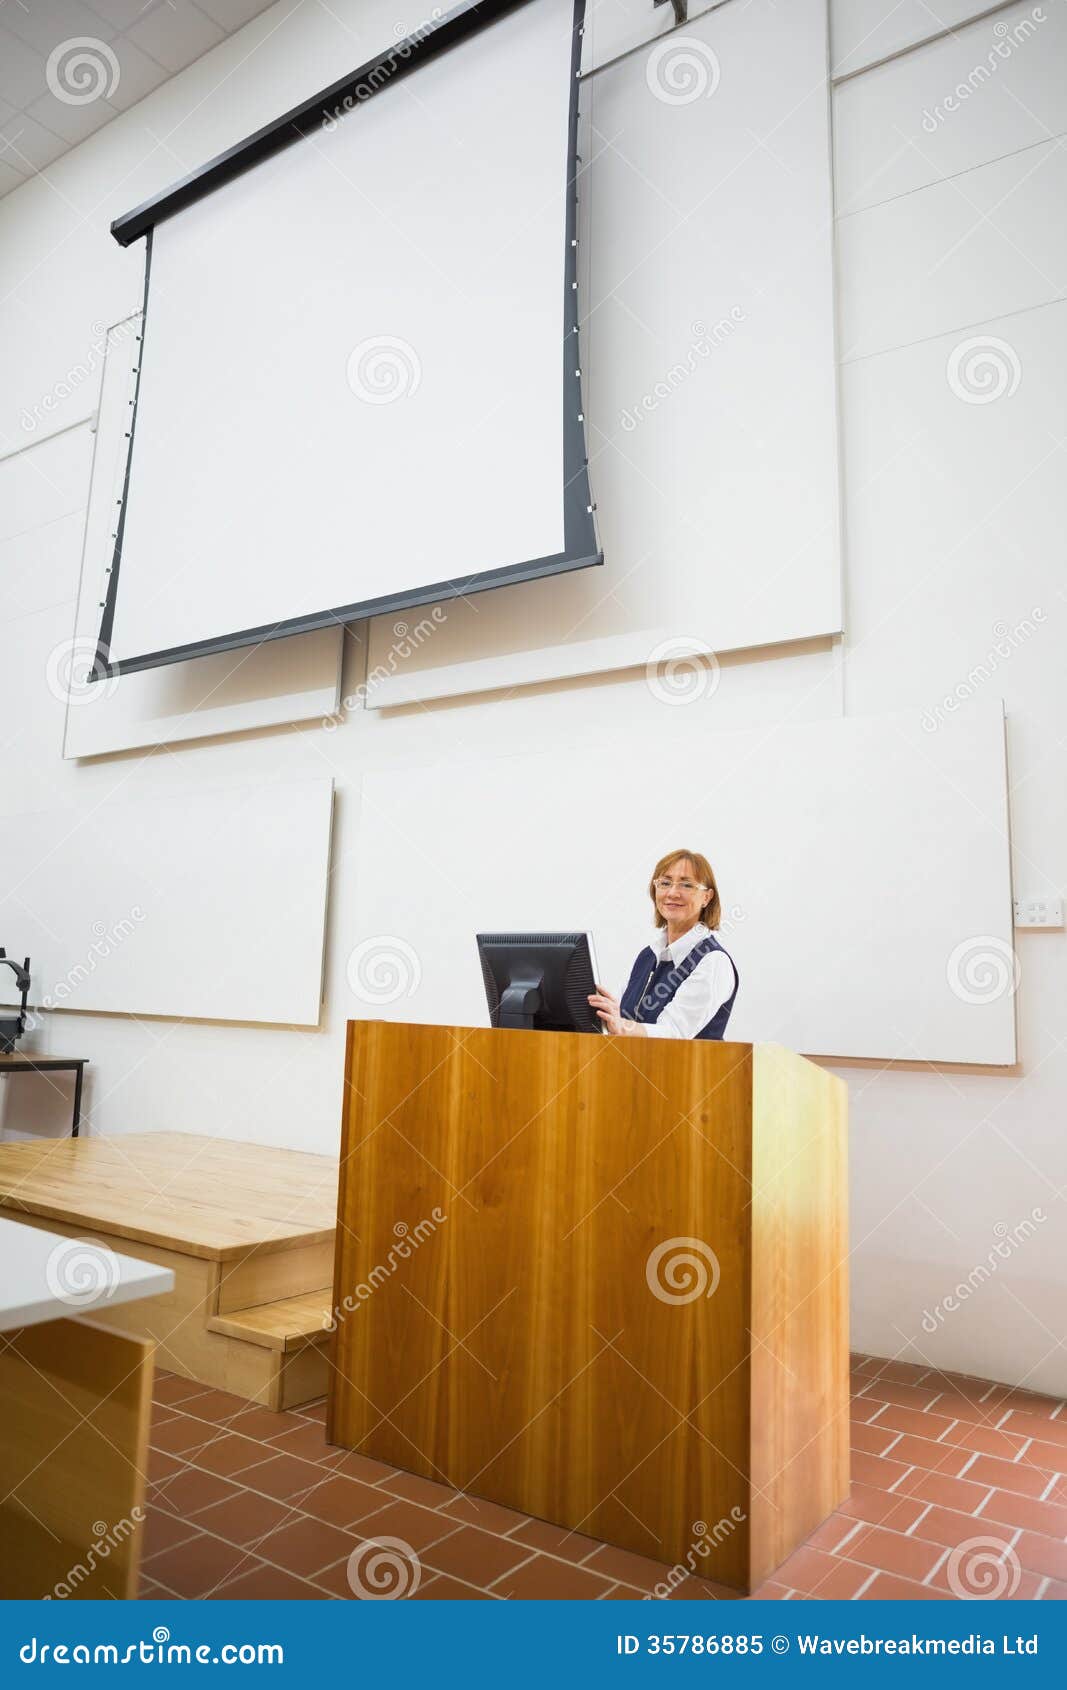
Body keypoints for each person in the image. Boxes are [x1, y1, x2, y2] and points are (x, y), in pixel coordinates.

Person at [588, 849, 738, 1039]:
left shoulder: (713, 961)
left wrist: (622, 1026)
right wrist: (604, 1013)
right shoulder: (647, 956)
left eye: (686, 885)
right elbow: (621, 1018)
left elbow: (673, 1033)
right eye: (665, 883)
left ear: (706, 897)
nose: (673, 893)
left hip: (688, 1069)